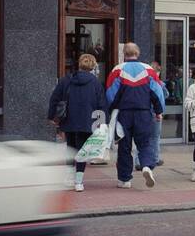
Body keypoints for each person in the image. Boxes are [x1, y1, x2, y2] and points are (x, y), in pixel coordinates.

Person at [105, 42, 165, 190]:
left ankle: (125, 180)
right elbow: (158, 94)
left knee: (124, 147)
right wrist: (159, 111)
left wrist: (111, 111)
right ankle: (146, 166)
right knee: (144, 144)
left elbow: (110, 95)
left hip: (124, 114)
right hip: (144, 113)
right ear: (138, 53)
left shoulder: (117, 70)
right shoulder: (149, 70)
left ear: (124, 54)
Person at [48, 53, 107, 192]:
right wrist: (103, 123)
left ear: (79, 64)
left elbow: (54, 98)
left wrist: (52, 117)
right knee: (83, 151)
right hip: (87, 121)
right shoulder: (96, 83)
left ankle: (68, 178)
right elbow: (102, 104)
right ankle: (78, 182)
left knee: (71, 147)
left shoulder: (66, 80)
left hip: (69, 119)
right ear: (93, 66)